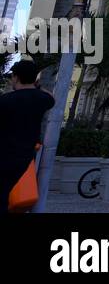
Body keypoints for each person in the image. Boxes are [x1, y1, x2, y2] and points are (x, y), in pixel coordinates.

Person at [0, 60, 55, 211]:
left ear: (16, 78)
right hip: (24, 157)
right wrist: (37, 86)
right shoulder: (42, 99)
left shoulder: (6, 101)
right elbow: (51, 97)